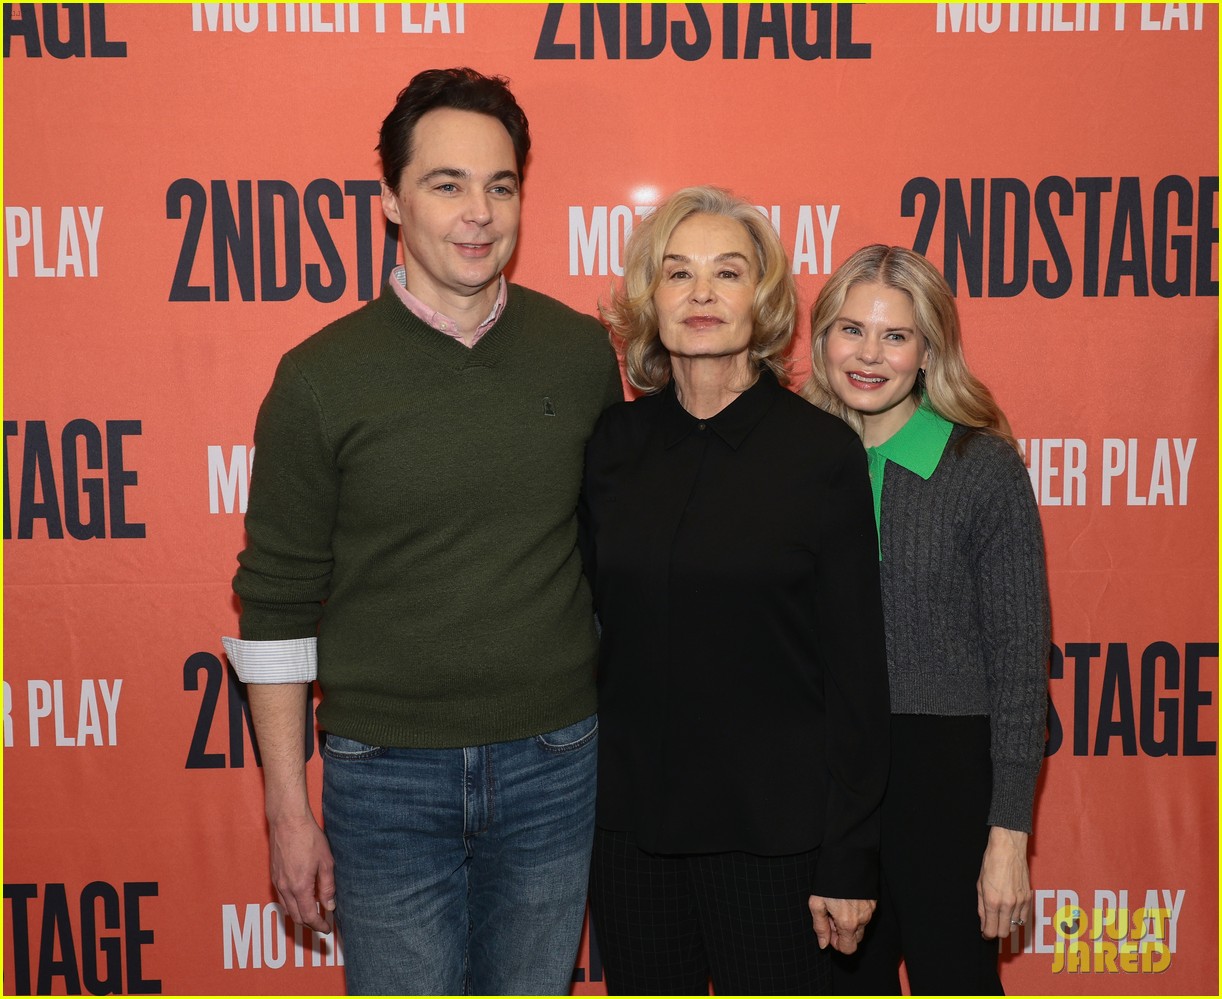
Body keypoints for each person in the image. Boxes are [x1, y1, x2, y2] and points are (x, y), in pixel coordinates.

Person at [221, 67, 622, 996]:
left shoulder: (581, 351)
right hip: (384, 774)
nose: (478, 213)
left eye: (501, 185)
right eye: (446, 183)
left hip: (555, 761)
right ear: (393, 200)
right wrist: (289, 807)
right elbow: (276, 603)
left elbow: (617, 552)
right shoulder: (319, 379)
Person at [580, 186, 891, 996]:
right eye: (678, 273)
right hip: (630, 836)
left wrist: (849, 853)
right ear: (651, 299)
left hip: (776, 841)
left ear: (766, 298)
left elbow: (858, 676)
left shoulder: (819, 454)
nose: (703, 293)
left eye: (728, 272)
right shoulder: (613, 444)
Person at [803, 244, 1050, 995]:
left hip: (943, 770)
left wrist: (1008, 833)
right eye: (851, 330)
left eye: (895, 335)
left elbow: (1018, 664)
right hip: (823, 772)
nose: (869, 354)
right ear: (821, 340)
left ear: (928, 349)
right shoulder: (795, 461)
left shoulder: (981, 467)